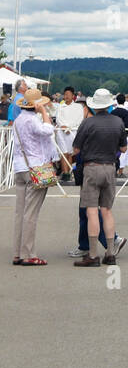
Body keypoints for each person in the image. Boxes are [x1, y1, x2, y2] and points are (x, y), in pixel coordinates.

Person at [71, 88, 128, 267]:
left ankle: (93, 255)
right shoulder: (118, 122)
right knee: (107, 211)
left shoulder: (88, 123)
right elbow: (124, 148)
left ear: (94, 105)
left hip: (92, 168)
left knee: (91, 211)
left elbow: (76, 149)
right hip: (110, 168)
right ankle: (110, 253)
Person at [11, 88, 57, 265]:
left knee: (20, 212)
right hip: (35, 167)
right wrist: (44, 112)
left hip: (20, 167)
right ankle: (28, 253)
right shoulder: (32, 120)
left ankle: (18, 251)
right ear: (37, 104)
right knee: (31, 213)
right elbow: (47, 130)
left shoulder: (18, 121)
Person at [54, 87, 83, 182]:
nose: (66, 96)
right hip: (61, 131)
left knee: (70, 153)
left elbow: (79, 119)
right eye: (65, 94)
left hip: (73, 131)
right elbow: (58, 118)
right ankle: (65, 172)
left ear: (73, 96)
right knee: (63, 152)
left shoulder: (78, 107)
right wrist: (64, 126)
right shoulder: (60, 106)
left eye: (68, 94)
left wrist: (69, 127)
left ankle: (69, 172)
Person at [111, 94, 128, 176]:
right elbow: (127, 125)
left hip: (113, 135)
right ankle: (121, 172)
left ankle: (114, 170)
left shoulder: (113, 112)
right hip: (123, 134)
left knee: (113, 153)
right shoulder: (126, 112)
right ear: (124, 101)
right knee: (123, 154)